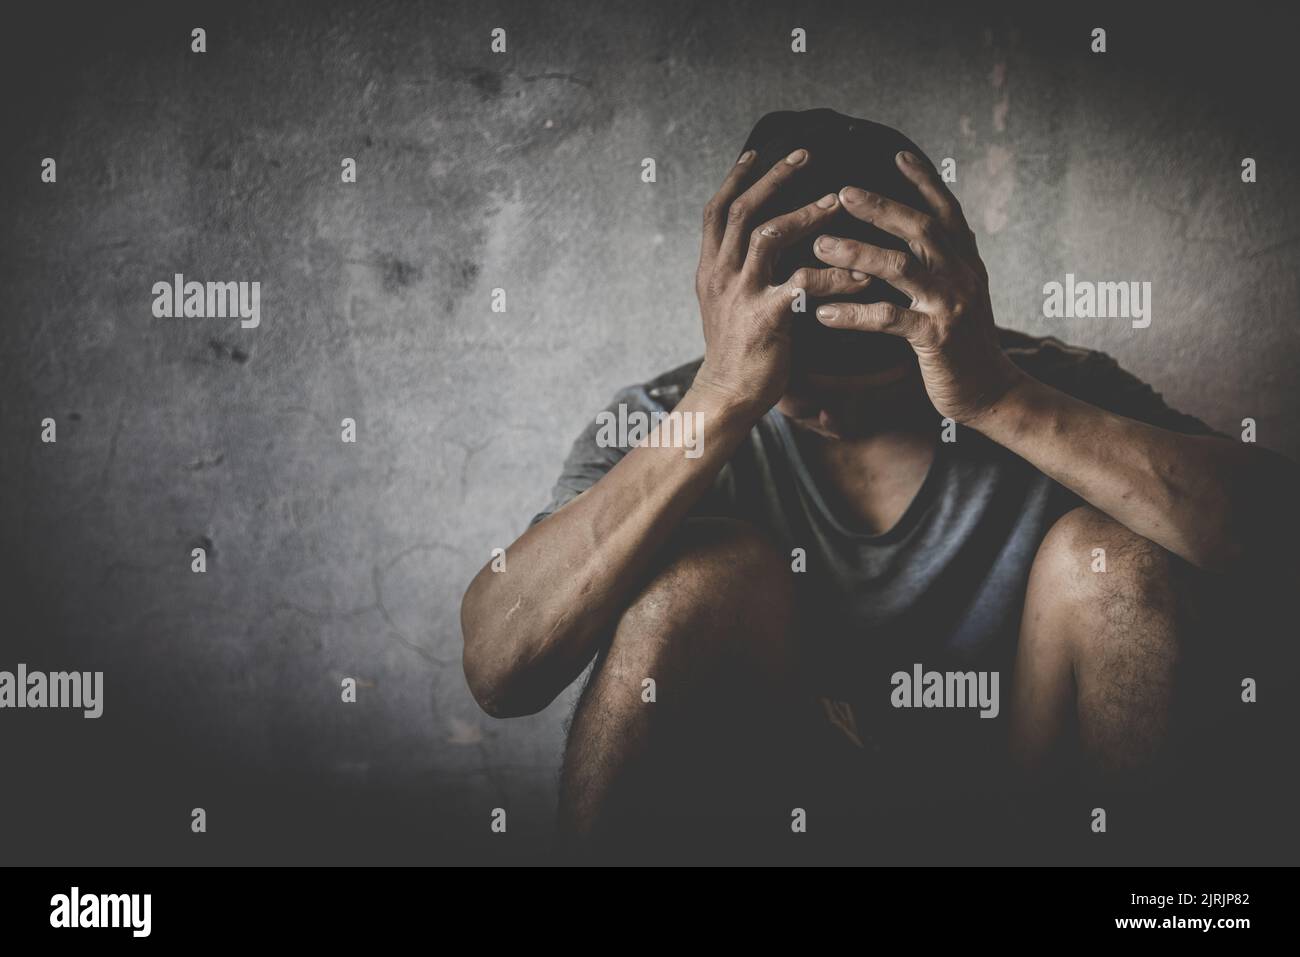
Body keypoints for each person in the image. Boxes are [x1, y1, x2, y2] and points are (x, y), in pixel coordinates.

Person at [459, 109, 1298, 859]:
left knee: (1116, 566)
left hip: (1026, 815)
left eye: (872, 386)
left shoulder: (1047, 389)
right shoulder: (669, 417)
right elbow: (501, 667)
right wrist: (721, 401)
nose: (825, 414)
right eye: (797, 386)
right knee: (689, 582)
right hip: (777, 822)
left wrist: (1000, 399)